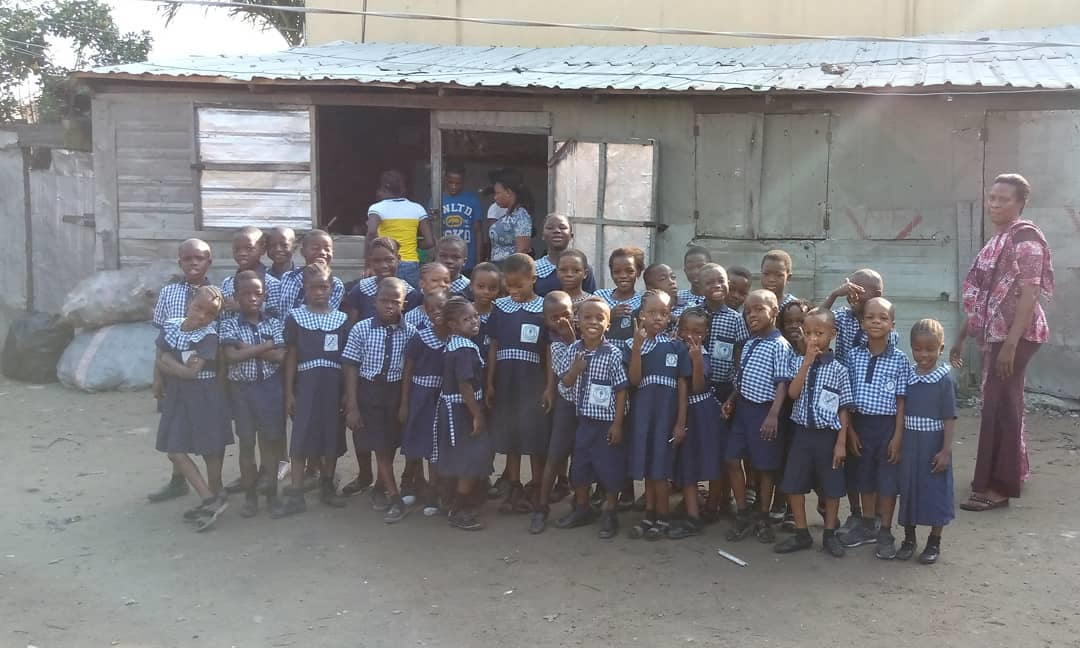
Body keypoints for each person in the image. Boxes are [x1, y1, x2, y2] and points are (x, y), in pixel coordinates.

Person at [952, 173, 1054, 511]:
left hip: (1016, 336)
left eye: (1003, 199)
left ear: (1020, 202)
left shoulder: (1025, 240)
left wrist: (1010, 345)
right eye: (991, 198)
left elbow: (1030, 292)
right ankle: (1009, 472)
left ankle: (998, 488)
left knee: (999, 407)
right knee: (1004, 402)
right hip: (999, 333)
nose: (994, 204)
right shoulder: (1001, 238)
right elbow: (990, 293)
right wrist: (962, 335)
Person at [773, 307, 852, 557]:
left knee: (831, 487)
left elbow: (844, 408)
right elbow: (793, 394)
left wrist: (841, 442)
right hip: (802, 434)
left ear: (833, 334)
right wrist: (806, 363)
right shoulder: (797, 361)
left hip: (828, 436)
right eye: (808, 333)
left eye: (819, 333)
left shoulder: (839, 369)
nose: (813, 338)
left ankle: (829, 534)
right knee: (794, 484)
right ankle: (801, 532)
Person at [154, 285, 231, 532]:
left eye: (209, 314)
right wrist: (163, 371)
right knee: (175, 450)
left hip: (205, 395)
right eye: (198, 307)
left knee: (210, 448)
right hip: (177, 396)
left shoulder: (208, 335)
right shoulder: (172, 325)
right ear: (189, 302)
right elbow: (160, 356)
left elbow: (192, 372)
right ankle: (209, 498)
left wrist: (169, 363)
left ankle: (214, 496)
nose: (201, 316)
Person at [277, 261, 350, 518]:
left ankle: (327, 486)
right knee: (300, 437)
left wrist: (346, 394)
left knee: (332, 435)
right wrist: (289, 393)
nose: (319, 292)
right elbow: (291, 357)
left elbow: (346, 359)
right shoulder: (296, 317)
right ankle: (296, 493)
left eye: (324, 287)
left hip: (333, 386)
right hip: (306, 386)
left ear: (331, 288)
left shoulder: (341, 319)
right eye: (313, 287)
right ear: (305, 289)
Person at [553, 297, 630, 539]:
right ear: (578, 322)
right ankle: (583, 508)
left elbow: (621, 390)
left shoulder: (614, 353)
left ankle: (610, 511)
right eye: (587, 317)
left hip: (607, 424)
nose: (593, 322)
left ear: (608, 325)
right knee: (580, 466)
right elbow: (563, 386)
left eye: (600, 318)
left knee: (609, 468)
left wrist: (617, 424)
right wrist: (575, 371)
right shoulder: (573, 350)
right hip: (584, 421)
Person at [841, 297, 911, 559]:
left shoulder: (900, 360)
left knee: (887, 482)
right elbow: (846, 398)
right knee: (864, 477)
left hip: (888, 427)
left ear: (892, 324)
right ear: (862, 322)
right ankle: (868, 525)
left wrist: (898, 436)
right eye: (870, 317)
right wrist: (850, 432)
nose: (876, 322)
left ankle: (885, 531)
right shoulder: (853, 356)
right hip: (861, 426)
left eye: (883, 318)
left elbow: (902, 401)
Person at [342, 277, 417, 524]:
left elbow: (408, 371)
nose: (389, 306)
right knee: (380, 446)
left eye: (395, 301)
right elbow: (351, 366)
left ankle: (379, 488)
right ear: (375, 301)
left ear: (404, 304)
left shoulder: (411, 333)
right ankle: (395, 498)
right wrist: (352, 405)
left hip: (395, 393)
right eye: (384, 300)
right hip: (368, 391)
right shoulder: (361, 329)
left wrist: (404, 403)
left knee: (390, 443)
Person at [722, 289, 790, 543]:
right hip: (743, 411)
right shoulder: (750, 343)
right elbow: (741, 380)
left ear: (774, 311)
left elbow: (782, 383)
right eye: (748, 311)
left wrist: (773, 415)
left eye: (758, 309)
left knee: (764, 467)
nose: (751, 315)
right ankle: (742, 511)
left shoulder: (779, 346)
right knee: (731, 459)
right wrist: (730, 401)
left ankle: (762, 515)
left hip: (765, 412)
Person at [148, 238, 213, 504]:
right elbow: (161, 339)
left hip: (203, 370)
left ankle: (213, 487)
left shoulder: (216, 294)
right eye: (188, 259)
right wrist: (157, 377)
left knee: (205, 429)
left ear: (209, 262)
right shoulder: (169, 293)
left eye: (199, 258)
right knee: (173, 424)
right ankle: (178, 481)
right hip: (172, 368)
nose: (193, 263)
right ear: (180, 262)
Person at [485, 254, 548, 513]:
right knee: (510, 435)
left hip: (532, 381)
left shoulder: (544, 308)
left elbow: (548, 351)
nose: (513, 291)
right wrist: (490, 382)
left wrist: (548, 387)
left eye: (519, 285)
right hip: (505, 380)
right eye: (509, 286)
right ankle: (513, 485)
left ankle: (536, 487)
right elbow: (493, 346)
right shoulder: (500, 307)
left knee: (533, 434)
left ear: (533, 279)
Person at [220, 272, 286, 518]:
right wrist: (267, 346)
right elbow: (231, 356)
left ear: (264, 296)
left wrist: (248, 348)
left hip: (269, 388)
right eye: (245, 294)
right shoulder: (229, 323)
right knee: (246, 444)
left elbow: (281, 357)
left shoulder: (274, 323)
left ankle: (272, 495)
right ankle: (250, 497)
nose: (252, 298)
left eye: (257, 294)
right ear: (236, 297)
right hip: (242, 391)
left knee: (270, 444)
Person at [626, 290, 689, 541]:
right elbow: (634, 379)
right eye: (651, 313)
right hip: (643, 419)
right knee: (648, 468)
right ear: (641, 316)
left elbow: (683, 387)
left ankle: (663, 517)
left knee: (660, 471)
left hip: (666, 418)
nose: (657, 318)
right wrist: (638, 347)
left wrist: (681, 422)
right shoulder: (633, 346)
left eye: (663, 313)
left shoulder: (676, 346)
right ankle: (649, 515)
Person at [899, 319, 957, 564]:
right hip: (911, 443)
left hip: (934, 444)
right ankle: (908, 539)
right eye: (918, 348)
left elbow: (949, 417)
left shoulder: (945, 379)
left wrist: (945, 451)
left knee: (935, 492)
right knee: (909, 490)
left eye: (930, 349)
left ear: (941, 349)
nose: (923, 354)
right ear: (911, 347)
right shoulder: (908, 376)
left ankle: (934, 541)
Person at [436, 297, 495, 531]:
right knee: (471, 459)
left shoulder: (457, 343)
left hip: (457, 408)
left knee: (464, 458)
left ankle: (456, 501)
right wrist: (477, 414)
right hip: (463, 411)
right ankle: (459, 509)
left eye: (475, 317)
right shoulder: (463, 350)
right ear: (452, 325)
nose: (473, 322)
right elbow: (465, 384)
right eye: (466, 319)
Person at [698, 263, 749, 521]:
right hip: (697, 389)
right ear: (699, 287)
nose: (717, 286)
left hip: (724, 390)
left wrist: (735, 392)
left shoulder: (735, 319)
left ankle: (717, 503)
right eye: (710, 282)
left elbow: (740, 359)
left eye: (721, 281)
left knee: (721, 449)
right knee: (701, 447)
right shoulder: (692, 313)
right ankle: (698, 499)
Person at [670, 307, 723, 538]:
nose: (690, 336)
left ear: (706, 333)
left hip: (702, 411)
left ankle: (712, 507)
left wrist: (697, 361)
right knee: (687, 463)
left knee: (712, 461)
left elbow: (699, 386)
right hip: (680, 411)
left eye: (697, 332)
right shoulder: (673, 348)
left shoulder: (704, 354)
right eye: (686, 330)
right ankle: (693, 515)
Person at [529, 291, 577, 534]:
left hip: (589, 406)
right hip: (566, 402)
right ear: (544, 319)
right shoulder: (551, 338)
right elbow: (553, 366)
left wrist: (573, 338)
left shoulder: (585, 328)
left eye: (565, 315)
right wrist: (549, 388)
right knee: (554, 453)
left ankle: (582, 505)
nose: (560, 322)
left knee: (582, 456)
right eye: (554, 318)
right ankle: (541, 506)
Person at [399, 290, 450, 516]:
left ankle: (434, 492)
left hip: (442, 398)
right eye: (430, 310)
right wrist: (404, 403)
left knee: (435, 448)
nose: (436, 313)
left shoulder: (455, 338)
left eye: (441, 308)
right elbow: (408, 370)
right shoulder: (420, 337)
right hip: (420, 396)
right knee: (415, 441)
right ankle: (410, 484)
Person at [366, 170, 435, 289]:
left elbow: (371, 232)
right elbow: (429, 242)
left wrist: (368, 264)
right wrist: (413, 244)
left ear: (383, 188)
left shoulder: (377, 208)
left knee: (387, 299)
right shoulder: (417, 209)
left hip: (386, 263)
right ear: (403, 188)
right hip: (410, 263)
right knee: (411, 300)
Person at [344, 237, 421, 327]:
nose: (383, 265)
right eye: (377, 261)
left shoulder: (409, 293)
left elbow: (411, 327)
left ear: (398, 259)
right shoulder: (361, 289)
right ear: (370, 262)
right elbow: (352, 322)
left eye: (389, 260)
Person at [278, 230, 345, 316]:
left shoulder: (336, 285)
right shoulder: (289, 278)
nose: (322, 253)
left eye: (327, 249)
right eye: (315, 248)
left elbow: (326, 315)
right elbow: (282, 312)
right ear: (303, 252)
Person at [220, 226, 281, 319]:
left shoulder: (272, 284)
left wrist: (243, 307)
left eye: (249, 248)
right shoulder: (227, 283)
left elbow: (275, 316)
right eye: (237, 249)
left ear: (262, 250)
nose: (242, 253)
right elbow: (223, 316)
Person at [535, 214, 597, 296]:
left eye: (562, 228)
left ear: (571, 236)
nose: (557, 231)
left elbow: (590, 300)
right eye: (550, 228)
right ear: (543, 236)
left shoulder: (582, 268)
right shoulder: (533, 268)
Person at [595, 246, 645, 343]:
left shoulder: (643, 300)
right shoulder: (600, 296)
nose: (623, 276)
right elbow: (588, 320)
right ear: (611, 273)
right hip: (602, 353)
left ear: (638, 272)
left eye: (629, 271)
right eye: (617, 272)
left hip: (630, 353)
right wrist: (609, 315)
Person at [439, 165, 484, 273]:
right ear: (445, 180)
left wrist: (478, 260)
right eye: (450, 182)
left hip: (468, 260)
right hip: (444, 259)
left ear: (463, 182)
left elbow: (478, 231)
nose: (454, 186)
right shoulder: (437, 199)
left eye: (458, 183)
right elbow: (433, 230)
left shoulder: (473, 200)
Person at [487, 169, 534, 263]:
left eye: (498, 193)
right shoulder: (508, 215)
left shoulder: (521, 216)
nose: (495, 197)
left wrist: (509, 273)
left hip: (509, 271)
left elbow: (522, 250)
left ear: (508, 192)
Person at [404, 263, 452, 330]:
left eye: (446, 281)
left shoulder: (456, 310)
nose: (442, 284)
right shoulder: (412, 316)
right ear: (422, 283)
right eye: (435, 280)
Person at [469, 262, 500, 361]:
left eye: (492, 288)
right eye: (481, 286)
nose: (486, 292)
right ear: (471, 286)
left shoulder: (500, 313)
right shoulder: (463, 312)